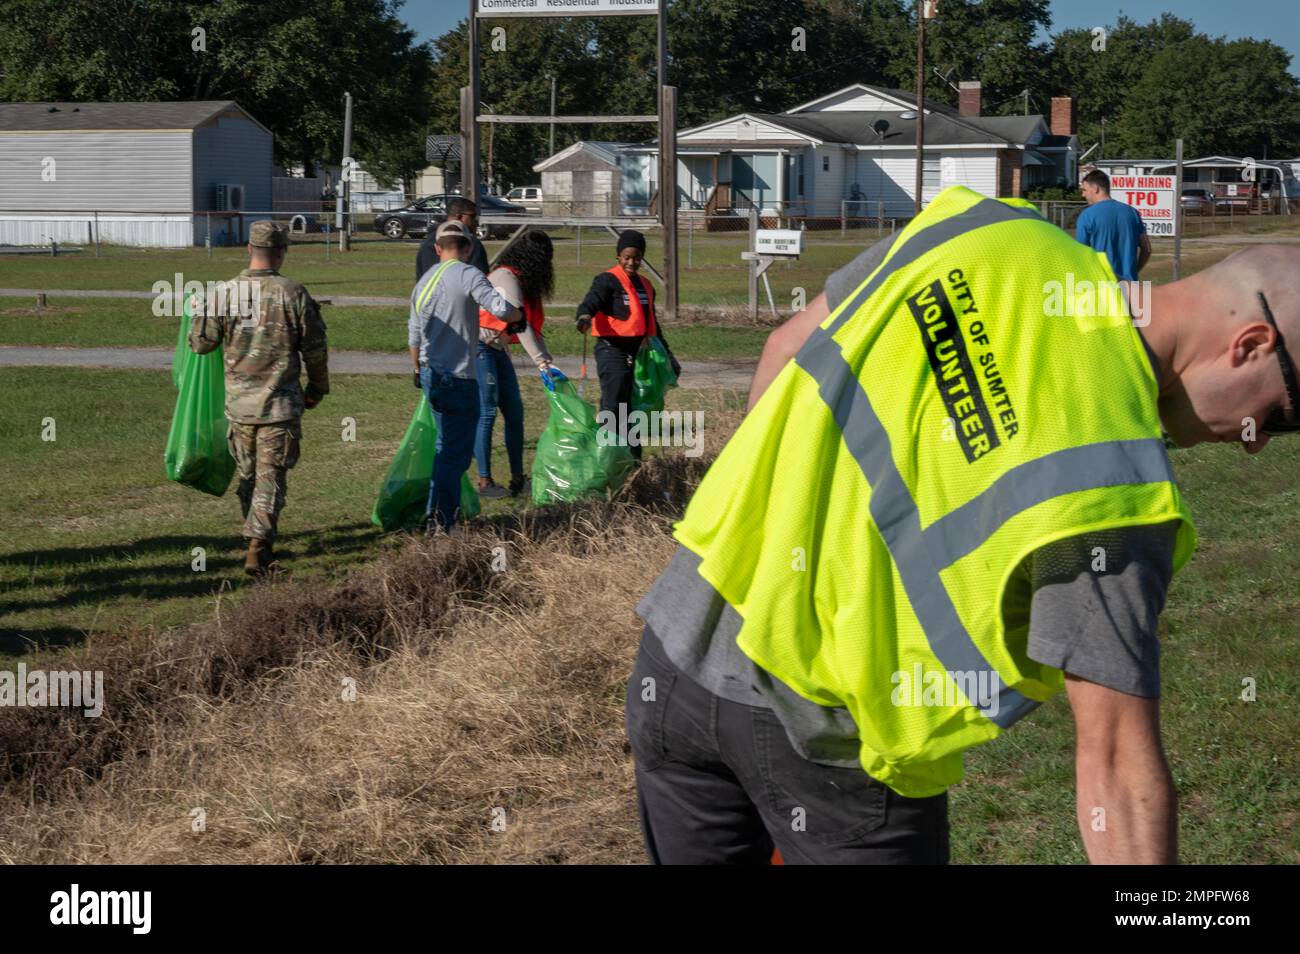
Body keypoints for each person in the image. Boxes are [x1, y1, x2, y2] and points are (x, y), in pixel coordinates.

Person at [626, 185, 1300, 865]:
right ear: (1251, 344)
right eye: (1279, 417)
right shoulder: (1113, 483)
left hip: (679, 654)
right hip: (837, 744)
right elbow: (1119, 768)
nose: (1256, 443)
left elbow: (785, 347)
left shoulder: (984, 225)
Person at [189, 220, 329, 576]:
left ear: (249, 249)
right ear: (281, 252)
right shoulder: (293, 293)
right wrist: (317, 389)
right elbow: (315, 349)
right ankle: (256, 548)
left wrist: (197, 313)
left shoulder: (222, 294)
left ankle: (260, 546)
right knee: (271, 478)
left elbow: (201, 345)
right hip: (278, 407)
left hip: (239, 407)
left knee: (250, 476)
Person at [409, 220, 523, 534]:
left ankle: (436, 513)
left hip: (431, 374)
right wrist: (519, 316)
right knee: (455, 457)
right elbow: (498, 308)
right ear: (469, 248)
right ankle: (443, 524)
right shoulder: (469, 274)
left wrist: (417, 370)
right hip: (459, 378)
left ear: (437, 248)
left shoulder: (424, 282)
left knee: (444, 448)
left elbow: (414, 335)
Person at [575, 230, 681, 459]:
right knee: (613, 406)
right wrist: (584, 315)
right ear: (618, 257)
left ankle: (633, 462)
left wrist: (669, 356)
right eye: (626, 257)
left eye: (636, 258)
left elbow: (652, 324)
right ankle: (605, 459)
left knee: (634, 409)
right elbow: (593, 299)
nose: (631, 262)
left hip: (639, 355)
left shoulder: (646, 285)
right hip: (611, 351)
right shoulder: (607, 280)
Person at [475, 230, 561, 498]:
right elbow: (518, 324)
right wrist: (540, 362)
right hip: (480, 348)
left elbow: (532, 328)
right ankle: (485, 480)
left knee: (515, 412)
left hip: (498, 350)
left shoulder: (523, 282)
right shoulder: (506, 277)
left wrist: (547, 360)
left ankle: (517, 478)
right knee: (487, 412)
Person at [1077, 169, 1151, 281]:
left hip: (1102, 284)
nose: (1083, 194)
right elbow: (1147, 249)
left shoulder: (1087, 216)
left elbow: (1081, 255)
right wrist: (1134, 272)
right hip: (1129, 286)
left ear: (1095, 189)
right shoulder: (1132, 212)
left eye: (1084, 190)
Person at [416, 196, 488, 279]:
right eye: (473, 217)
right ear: (460, 217)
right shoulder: (471, 244)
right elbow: (481, 279)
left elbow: (420, 282)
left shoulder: (425, 245)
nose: (476, 223)